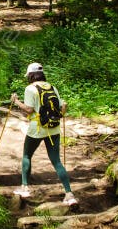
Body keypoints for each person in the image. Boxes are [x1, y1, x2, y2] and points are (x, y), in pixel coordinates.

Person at [10, 62, 77, 206]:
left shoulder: (30, 89)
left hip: (37, 129)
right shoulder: (52, 87)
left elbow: (28, 110)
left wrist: (16, 101)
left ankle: (25, 187)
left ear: (31, 75)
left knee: (27, 155)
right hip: (53, 128)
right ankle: (69, 194)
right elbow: (62, 109)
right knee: (57, 161)